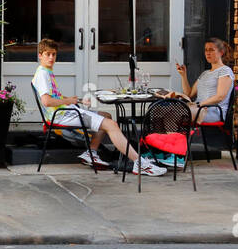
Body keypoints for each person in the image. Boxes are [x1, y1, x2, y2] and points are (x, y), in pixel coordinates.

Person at [32, 38, 165, 176]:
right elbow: (46, 101)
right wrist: (70, 101)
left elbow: (55, 97)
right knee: (111, 125)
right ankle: (140, 163)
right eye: (48, 54)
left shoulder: (46, 71)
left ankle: (91, 153)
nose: (51, 57)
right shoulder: (42, 74)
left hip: (65, 113)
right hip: (62, 116)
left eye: (54, 54)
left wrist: (76, 100)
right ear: (40, 55)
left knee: (106, 116)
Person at [175, 37, 235, 124]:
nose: (208, 53)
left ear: (221, 53)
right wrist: (183, 75)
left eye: (211, 50)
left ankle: (178, 137)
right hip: (198, 109)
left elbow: (220, 97)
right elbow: (189, 94)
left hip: (213, 112)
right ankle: (169, 137)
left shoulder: (225, 71)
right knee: (163, 112)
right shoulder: (205, 74)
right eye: (206, 50)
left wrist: (200, 105)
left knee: (175, 114)